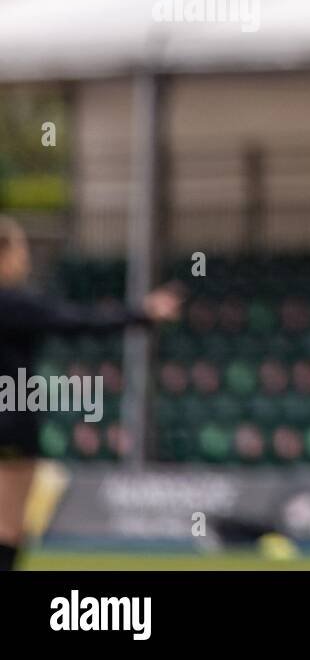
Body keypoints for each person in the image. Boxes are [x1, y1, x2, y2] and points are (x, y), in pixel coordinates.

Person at [0, 216, 182, 570]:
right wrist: (142, 314)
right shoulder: (12, 303)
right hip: (11, 419)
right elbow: (77, 320)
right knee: (10, 528)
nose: (25, 259)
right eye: (20, 250)